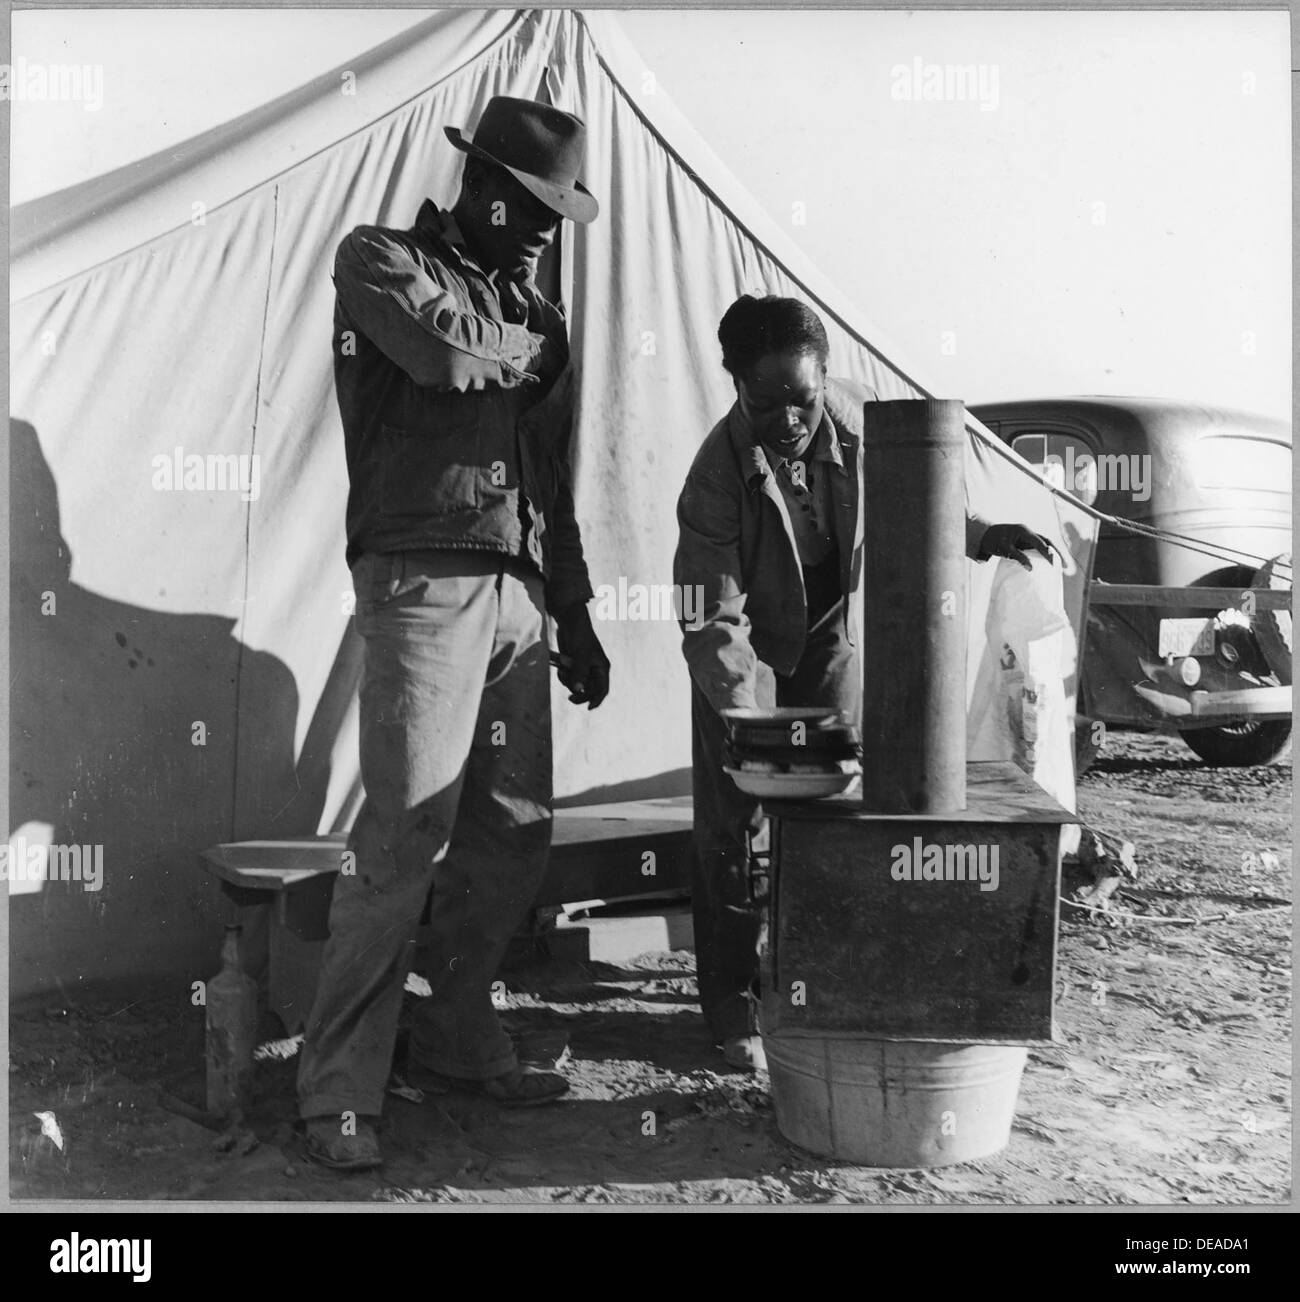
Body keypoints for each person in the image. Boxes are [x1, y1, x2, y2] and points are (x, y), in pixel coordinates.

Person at [297, 96, 611, 1171]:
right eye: (530, 206)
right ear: (477, 183)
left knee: (510, 833)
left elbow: (551, 480)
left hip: (516, 594)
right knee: (402, 843)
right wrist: (535, 347)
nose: (544, 229)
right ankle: (338, 1090)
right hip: (422, 585)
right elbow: (439, 352)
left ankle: (454, 1037)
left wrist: (572, 612)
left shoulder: (537, 314)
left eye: (557, 214)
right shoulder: (378, 260)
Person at [673, 295, 1054, 1072]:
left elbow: (916, 492)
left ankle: (810, 983)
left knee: (828, 816)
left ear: (824, 383)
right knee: (731, 832)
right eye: (765, 400)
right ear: (734, 382)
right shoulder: (713, 478)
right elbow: (712, 619)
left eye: (802, 399)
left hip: (826, 639)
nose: (788, 418)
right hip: (741, 660)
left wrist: (983, 535)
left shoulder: (850, 421)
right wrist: (751, 723)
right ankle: (728, 1006)